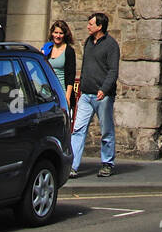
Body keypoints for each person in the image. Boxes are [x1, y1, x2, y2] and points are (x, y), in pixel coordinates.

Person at [71, 12, 120, 177]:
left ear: (100, 27)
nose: (88, 26)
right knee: (78, 129)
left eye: (91, 24)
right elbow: (85, 65)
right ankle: (72, 165)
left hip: (102, 96)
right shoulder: (88, 42)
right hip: (86, 94)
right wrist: (82, 86)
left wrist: (104, 89)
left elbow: (113, 70)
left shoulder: (111, 45)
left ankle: (107, 163)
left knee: (106, 130)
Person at [42, 20, 76, 111]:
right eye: (55, 32)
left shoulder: (69, 51)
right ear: (52, 33)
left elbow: (71, 76)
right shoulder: (47, 48)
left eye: (61, 33)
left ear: (65, 35)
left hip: (62, 92)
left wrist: (67, 97)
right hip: (47, 92)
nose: (58, 36)